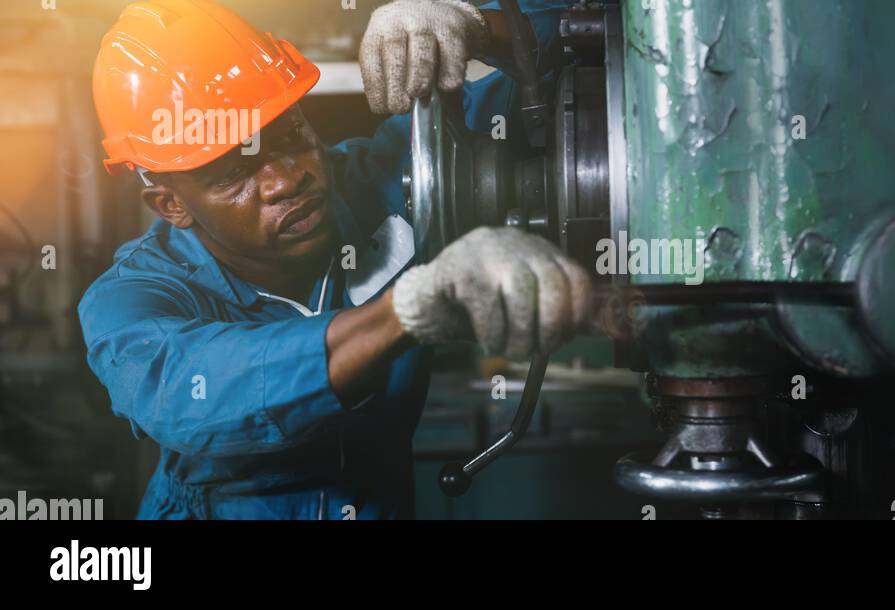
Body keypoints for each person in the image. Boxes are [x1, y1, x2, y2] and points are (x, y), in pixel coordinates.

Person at [78, 0, 586, 519]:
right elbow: (194, 393)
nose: (284, 180)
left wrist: (479, 28)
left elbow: (578, 41)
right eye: (232, 172)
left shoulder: (389, 184)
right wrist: (405, 312)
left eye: (289, 136)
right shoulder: (133, 299)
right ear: (171, 204)